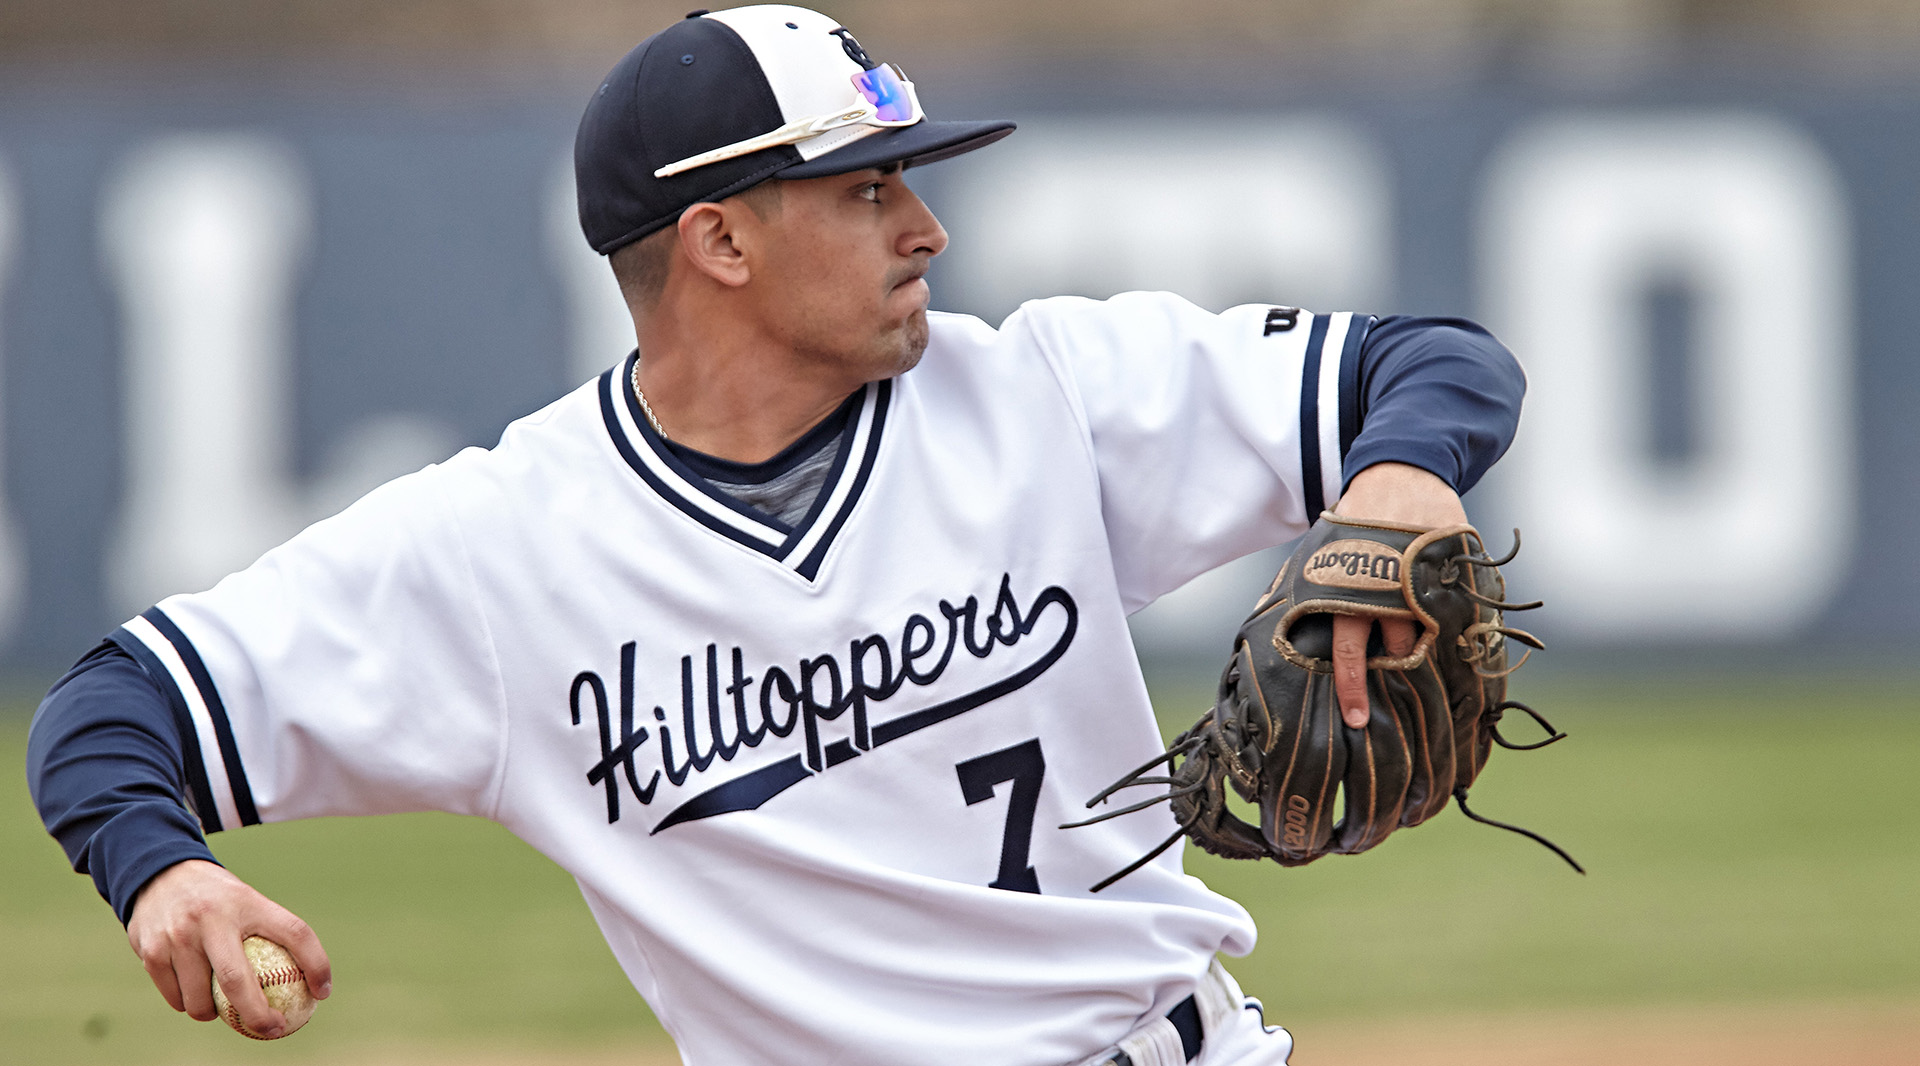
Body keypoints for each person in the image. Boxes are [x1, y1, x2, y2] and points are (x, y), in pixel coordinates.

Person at [26, 6, 1524, 1064]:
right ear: (722, 240)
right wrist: (166, 872)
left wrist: (1399, 478)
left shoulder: (1038, 394)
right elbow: (113, 707)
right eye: (869, 189)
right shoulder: (503, 555)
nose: (924, 229)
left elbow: (1436, 361)